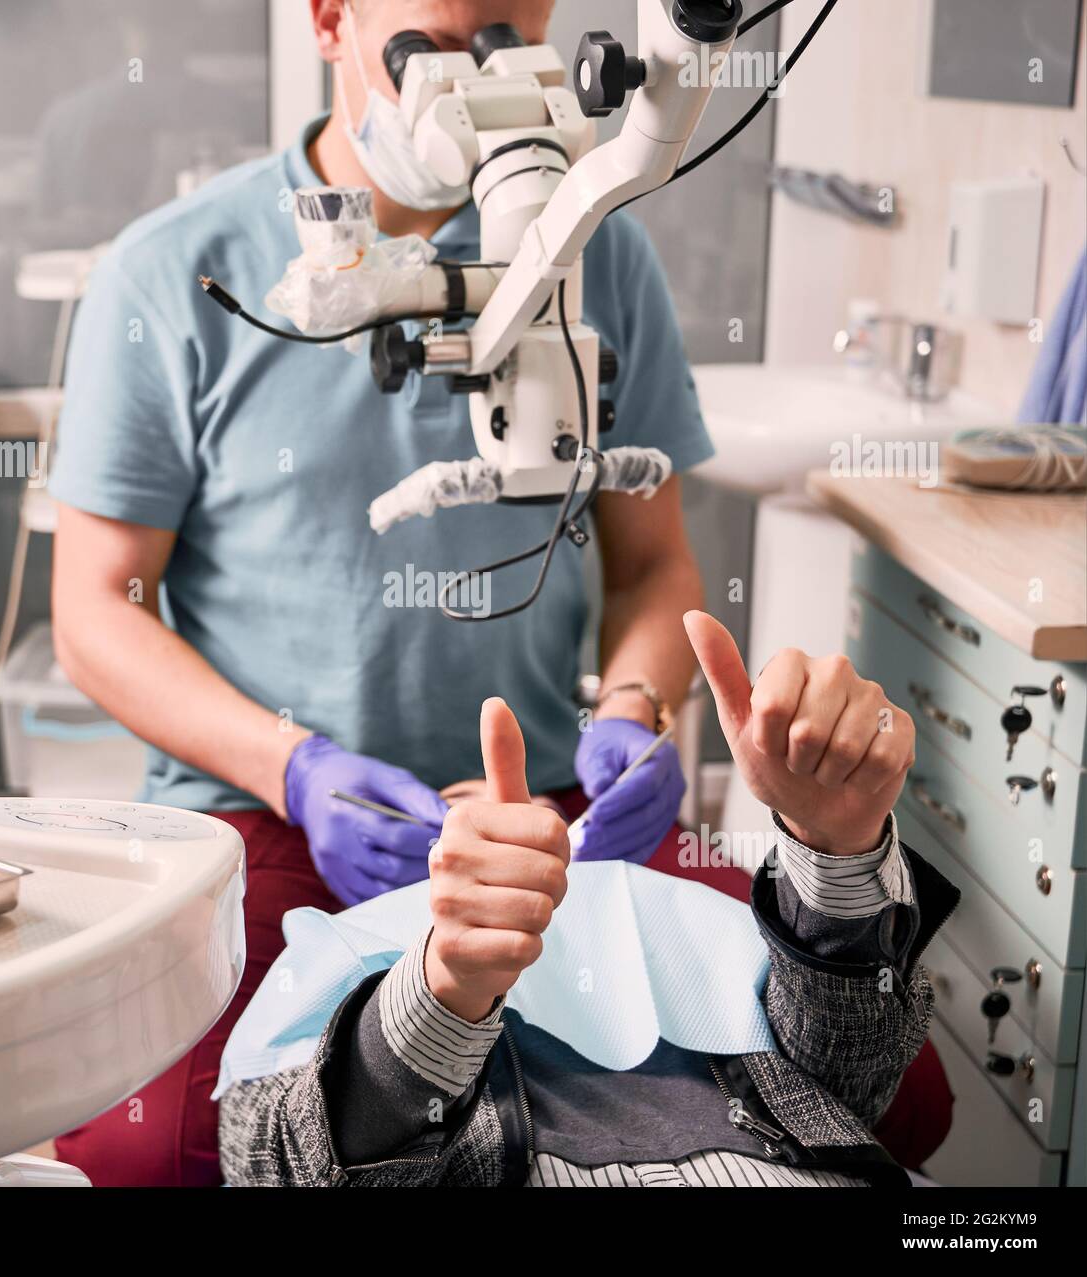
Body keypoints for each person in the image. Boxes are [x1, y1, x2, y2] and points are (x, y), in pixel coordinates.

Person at [48, 0, 710, 1184]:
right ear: (330, 18)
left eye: (505, 32)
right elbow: (98, 610)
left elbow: (655, 565)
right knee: (156, 1152)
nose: (472, 78)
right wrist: (290, 767)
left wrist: (630, 710)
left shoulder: (595, 249)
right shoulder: (175, 272)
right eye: (435, 45)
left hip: (534, 811)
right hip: (267, 817)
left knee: (811, 1084)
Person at [219, 614, 961, 1187]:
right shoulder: (344, 954)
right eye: (457, 819)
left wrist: (836, 849)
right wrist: (442, 991)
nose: (498, 827)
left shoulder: (679, 917)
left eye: (521, 812)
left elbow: (850, 1079)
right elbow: (276, 1160)